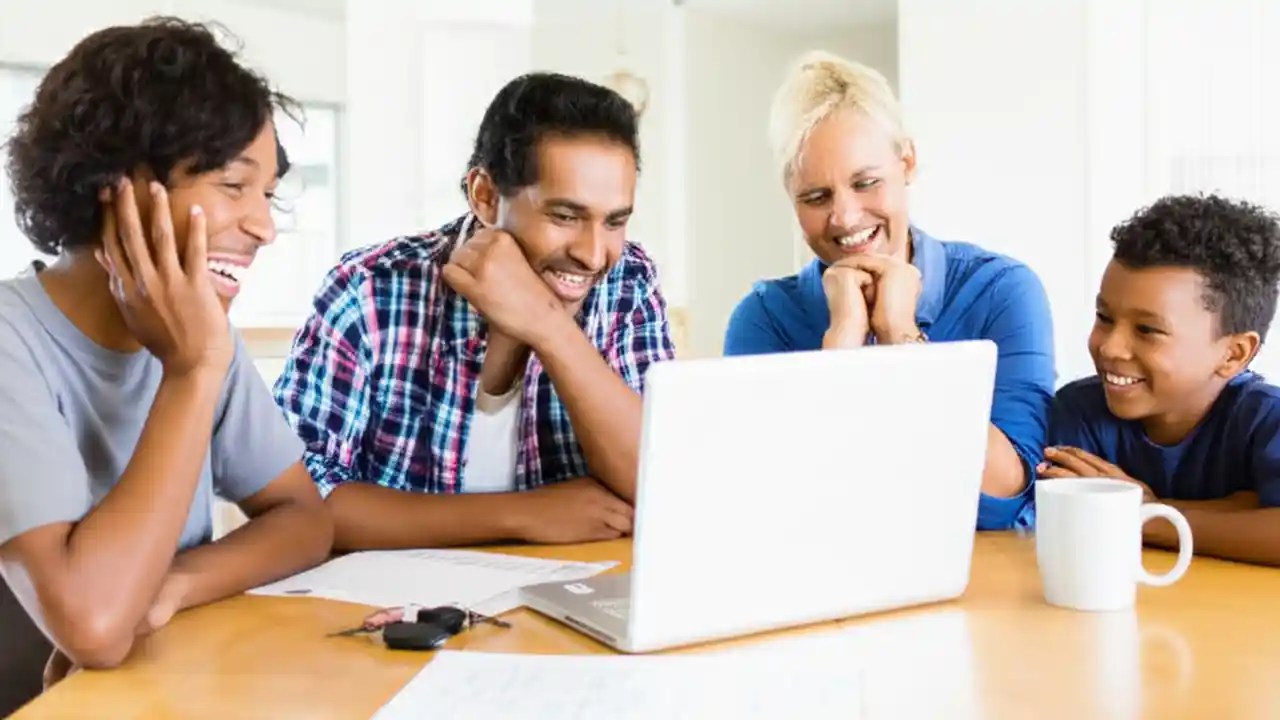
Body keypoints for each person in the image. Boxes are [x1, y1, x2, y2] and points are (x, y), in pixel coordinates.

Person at [0, 18, 333, 683]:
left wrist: (170, 587)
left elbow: (305, 520)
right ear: (114, 183)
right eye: (233, 187)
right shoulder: (14, 343)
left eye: (267, 195)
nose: (264, 227)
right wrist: (192, 371)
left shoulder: (202, 334)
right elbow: (94, 626)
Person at [274, 72, 676, 551]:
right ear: (485, 196)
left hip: (566, 603)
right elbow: (295, 504)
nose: (593, 255)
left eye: (614, 221)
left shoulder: (627, 282)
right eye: (565, 216)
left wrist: (549, 327)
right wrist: (520, 515)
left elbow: (662, 487)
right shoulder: (368, 289)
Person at [722, 51, 1056, 530]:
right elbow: (774, 499)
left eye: (866, 182)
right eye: (815, 197)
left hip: (979, 578)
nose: (845, 217)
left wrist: (900, 333)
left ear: (908, 162)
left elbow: (1002, 494)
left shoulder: (1002, 291)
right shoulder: (764, 318)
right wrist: (842, 343)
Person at [1041, 195, 1280, 567]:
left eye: (1147, 329)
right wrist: (1235, 514)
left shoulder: (1266, 419)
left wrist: (1149, 515)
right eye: (1104, 317)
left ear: (1233, 354)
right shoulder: (1079, 413)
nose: (1111, 347)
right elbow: (1072, 525)